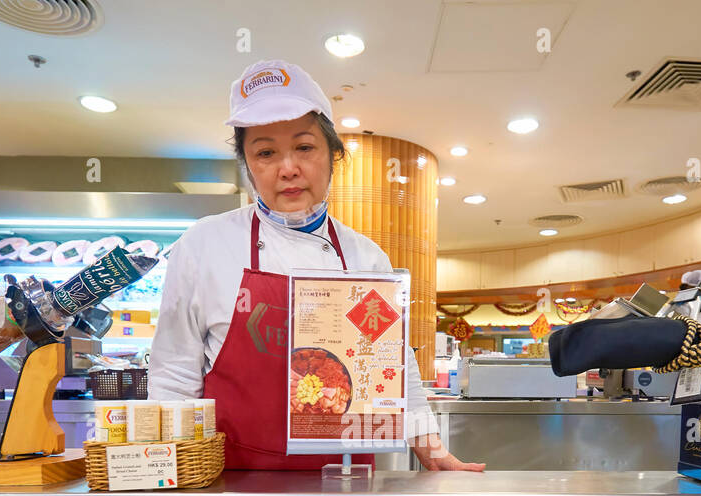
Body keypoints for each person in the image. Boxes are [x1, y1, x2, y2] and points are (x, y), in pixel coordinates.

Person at [150, 59, 483, 472]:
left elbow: (393, 367)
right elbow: (173, 377)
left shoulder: (364, 257)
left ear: (333, 154)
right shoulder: (205, 244)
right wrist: (170, 480)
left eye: (304, 147)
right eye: (266, 152)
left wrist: (434, 452)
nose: (288, 168)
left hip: (348, 479)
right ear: (248, 165)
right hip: (234, 483)